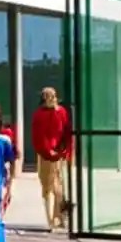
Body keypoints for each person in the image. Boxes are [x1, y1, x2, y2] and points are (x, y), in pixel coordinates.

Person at [30, 87, 72, 231]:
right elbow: (38, 136)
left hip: (58, 155)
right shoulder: (39, 115)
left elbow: (66, 132)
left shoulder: (61, 112)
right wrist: (48, 151)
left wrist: (66, 151)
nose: (52, 98)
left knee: (59, 188)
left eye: (53, 96)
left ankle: (58, 217)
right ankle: (50, 220)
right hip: (46, 155)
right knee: (47, 187)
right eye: (48, 96)